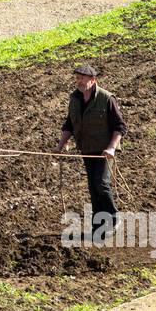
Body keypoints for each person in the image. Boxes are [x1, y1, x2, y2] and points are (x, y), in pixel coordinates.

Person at [55, 62, 127, 247]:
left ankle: (113, 217)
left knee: (100, 183)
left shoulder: (106, 98)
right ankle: (98, 229)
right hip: (87, 148)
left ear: (93, 80)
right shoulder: (75, 99)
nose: (78, 81)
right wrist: (61, 145)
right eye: (77, 78)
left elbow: (119, 127)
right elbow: (69, 124)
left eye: (82, 78)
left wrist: (111, 148)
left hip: (104, 151)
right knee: (93, 187)